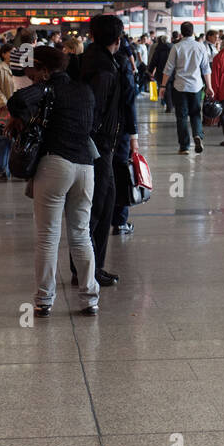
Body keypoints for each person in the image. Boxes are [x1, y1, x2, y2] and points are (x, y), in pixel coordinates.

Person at [6, 45, 100, 318]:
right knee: (81, 236)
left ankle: (44, 300)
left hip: (55, 164)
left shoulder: (48, 88)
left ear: (45, 70)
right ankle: (89, 299)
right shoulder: (84, 90)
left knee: (48, 237)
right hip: (86, 167)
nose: (30, 75)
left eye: (34, 70)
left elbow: (17, 100)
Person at [81, 14, 138, 288]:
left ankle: (89, 266)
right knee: (98, 207)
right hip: (99, 146)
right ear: (118, 38)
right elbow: (99, 111)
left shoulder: (86, 59)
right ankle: (89, 268)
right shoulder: (106, 68)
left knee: (101, 202)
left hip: (95, 145)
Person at [162, 20, 213, 154]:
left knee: (182, 116)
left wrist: (162, 86)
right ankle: (197, 135)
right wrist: (209, 86)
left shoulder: (176, 47)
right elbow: (206, 69)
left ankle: (184, 146)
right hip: (196, 86)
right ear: (192, 31)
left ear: (181, 33)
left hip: (180, 86)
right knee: (196, 113)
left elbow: (168, 69)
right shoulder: (200, 47)